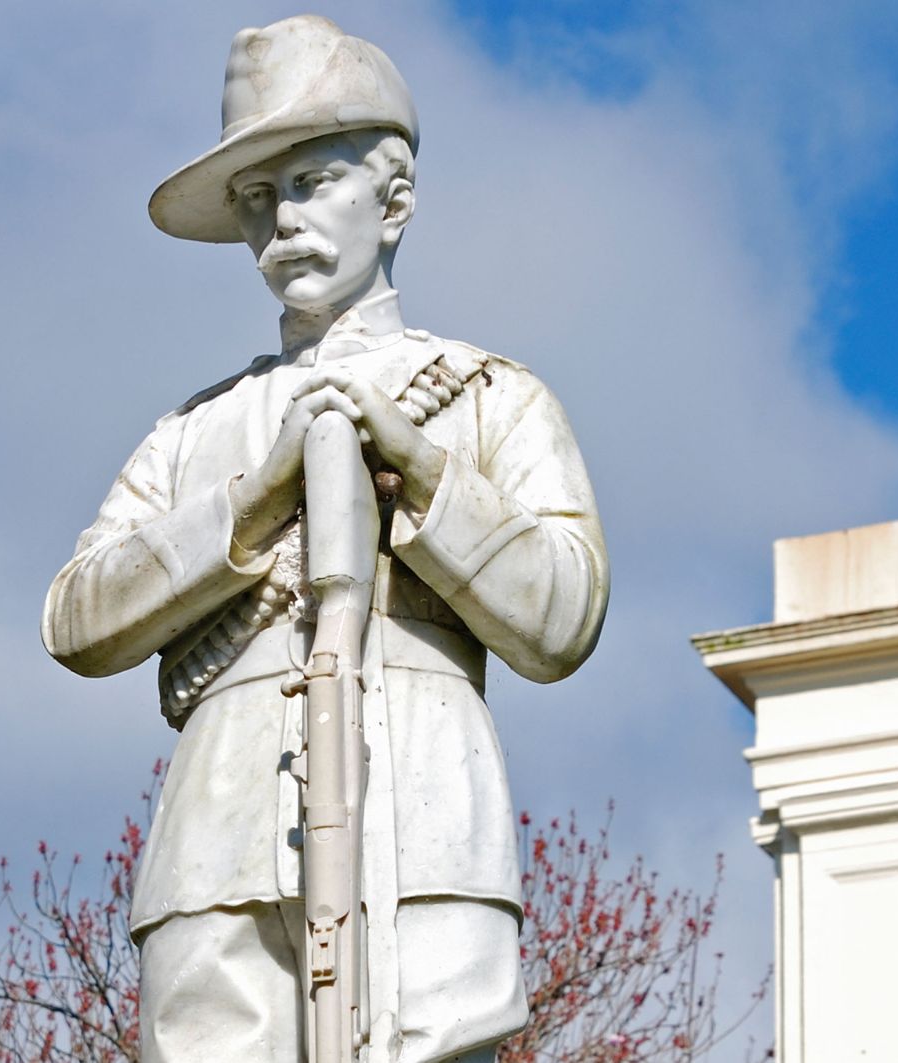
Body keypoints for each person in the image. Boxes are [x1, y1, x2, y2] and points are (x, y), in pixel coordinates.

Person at [42, 16, 609, 1063]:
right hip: (220, 827)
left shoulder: (490, 398)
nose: (280, 222)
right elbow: (77, 616)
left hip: (426, 807)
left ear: (393, 199)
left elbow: (564, 617)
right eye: (257, 199)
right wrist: (252, 504)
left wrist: (426, 475)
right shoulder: (193, 431)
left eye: (310, 181)